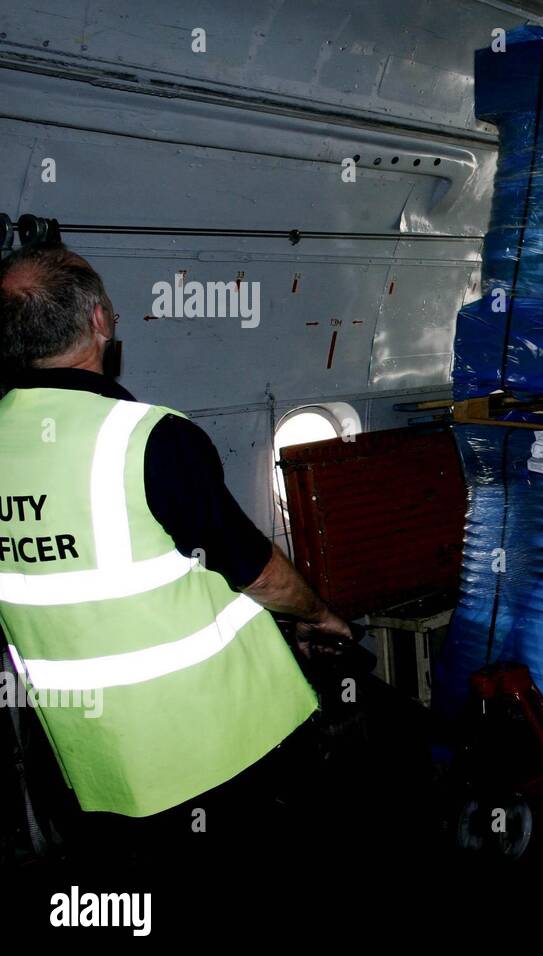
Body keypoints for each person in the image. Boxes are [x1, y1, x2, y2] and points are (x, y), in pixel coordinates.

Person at [0, 244, 354, 854]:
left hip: (93, 765)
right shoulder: (148, 439)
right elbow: (256, 571)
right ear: (99, 322)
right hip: (221, 749)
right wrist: (320, 615)